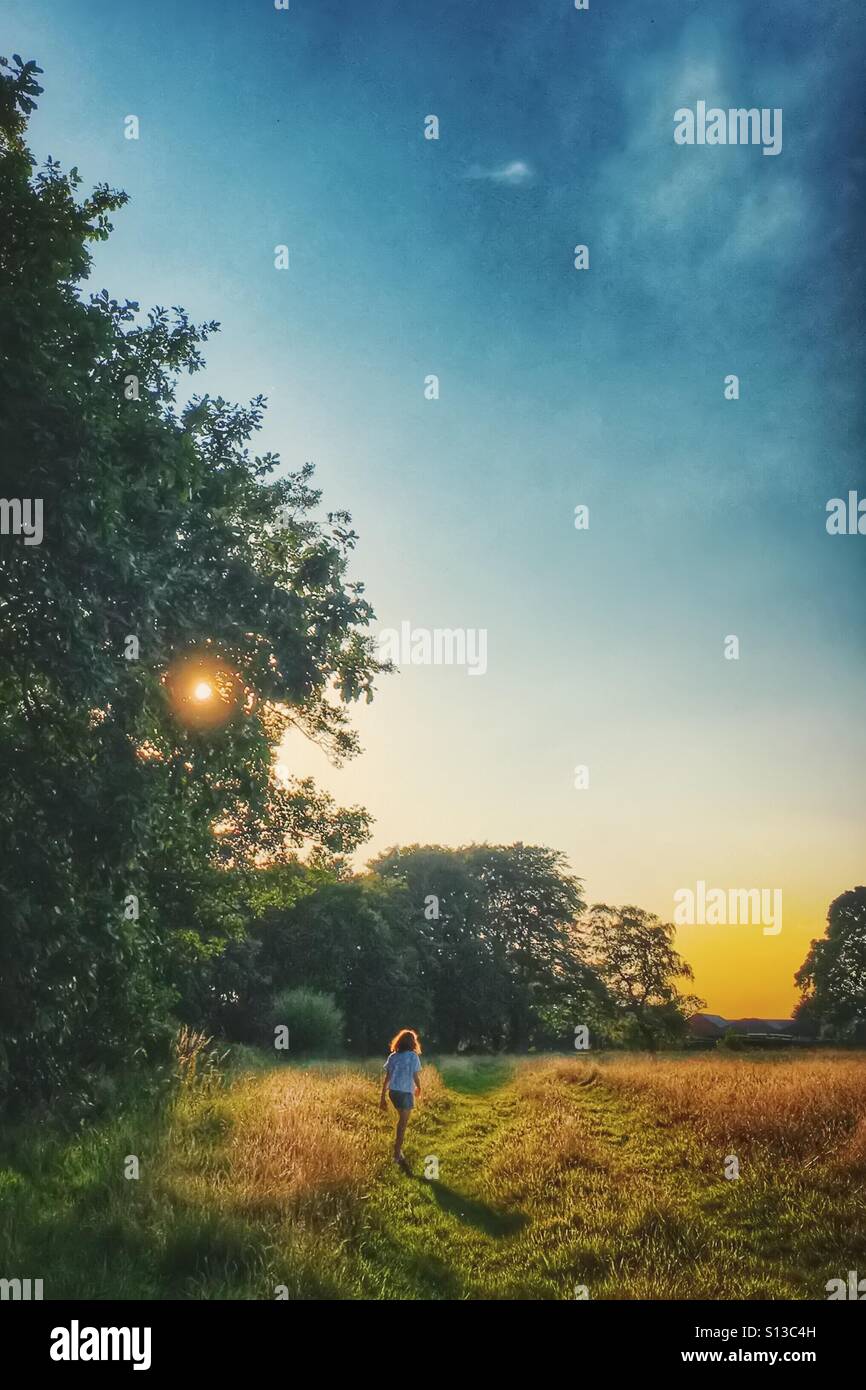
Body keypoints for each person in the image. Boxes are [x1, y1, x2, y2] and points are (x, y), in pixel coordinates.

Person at [379, 1028, 422, 1170]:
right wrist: (419, 1088)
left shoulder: (393, 1057)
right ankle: (397, 1154)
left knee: (401, 1121)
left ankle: (398, 1151)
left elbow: (387, 1078)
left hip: (393, 1092)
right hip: (405, 1093)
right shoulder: (413, 1057)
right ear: (412, 1043)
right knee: (402, 1124)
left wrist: (382, 1098)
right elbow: (415, 1076)